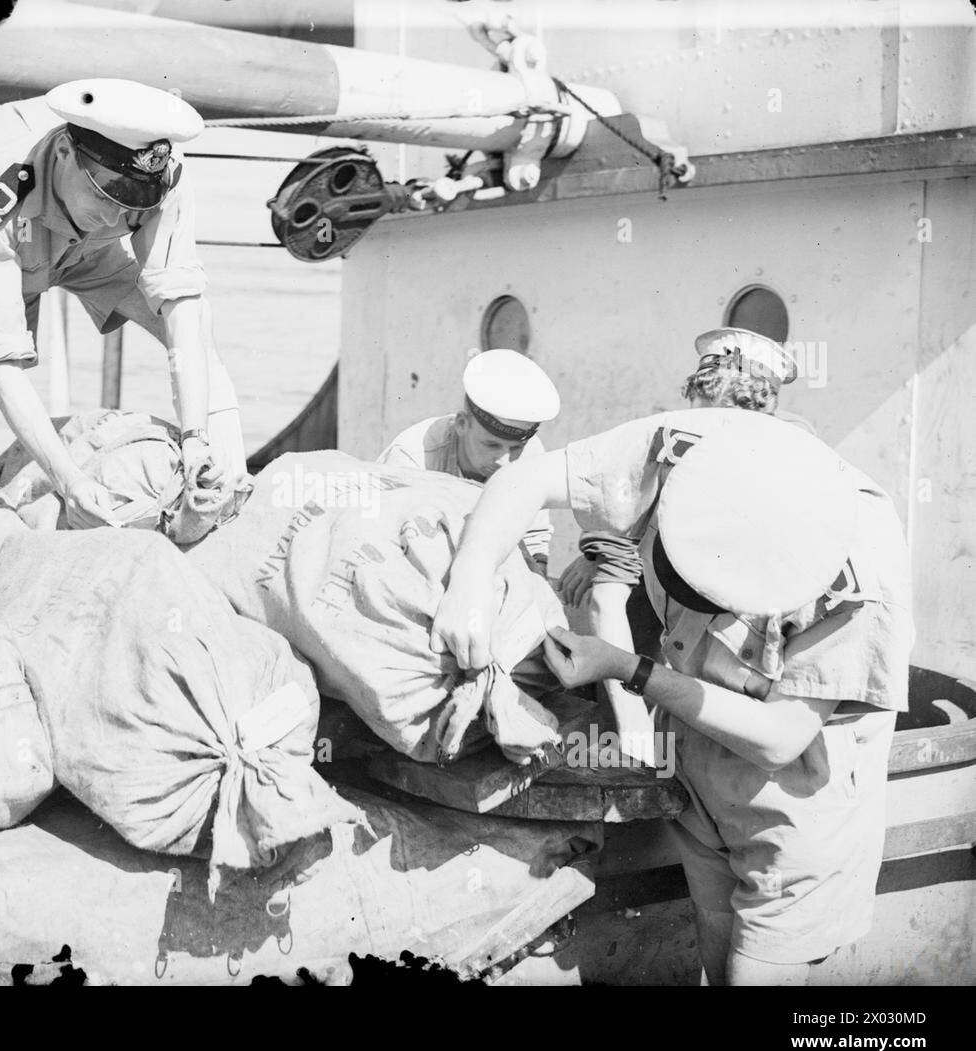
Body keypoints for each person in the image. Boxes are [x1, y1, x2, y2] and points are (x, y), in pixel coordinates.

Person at [431, 407, 913, 985]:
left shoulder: (861, 577)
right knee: (715, 959)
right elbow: (528, 478)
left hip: (795, 806)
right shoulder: (683, 447)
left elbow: (782, 739)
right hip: (696, 771)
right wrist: (471, 577)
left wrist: (626, 669)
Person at [0, 78, 245, 529]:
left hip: (91, 252)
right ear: (67, 153)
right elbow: (1, 363)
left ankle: (228, 473)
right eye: (108, 194)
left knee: (197, 321)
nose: (117, 216)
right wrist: (69, 482)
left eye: (131, 205)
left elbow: (181, 306)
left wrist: (196, 436)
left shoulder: (161, 168)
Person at [555, 328, 801, 761]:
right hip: (673, 668)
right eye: (694, 422)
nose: (697, 446)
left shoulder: (800, 478)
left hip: (753, 690)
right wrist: (609, 550)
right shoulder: (675, 452)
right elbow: (609, 596)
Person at [377, 348, 560, 574]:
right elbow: (383, 546)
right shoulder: (412, 457)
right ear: (462, 424)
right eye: (491, 445)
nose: (504, 461)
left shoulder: (531, 455)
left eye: (515, 448)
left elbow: (533, 538)